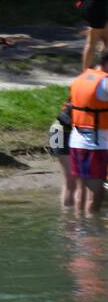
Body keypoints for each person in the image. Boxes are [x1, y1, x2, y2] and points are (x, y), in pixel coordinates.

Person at [65, 49, 108, 215]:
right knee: (95, 194)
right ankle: (92, 234)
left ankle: (78, 231)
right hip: (94, 146)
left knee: (81, 191)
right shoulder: (104, 83)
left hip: (77, 141)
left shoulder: (82, 77)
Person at [49, 98, 76, 209]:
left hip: (65, 133)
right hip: (58, 133)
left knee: (74, 179)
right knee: (70, 178)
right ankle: (68, 218)